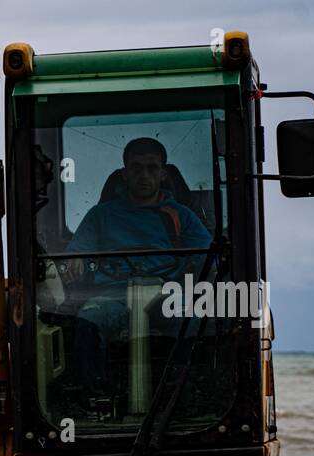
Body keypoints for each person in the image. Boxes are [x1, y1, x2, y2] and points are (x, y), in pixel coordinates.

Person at [63, 137, 211, 399]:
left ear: (163, 173)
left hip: (166, 293)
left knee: (194, 321)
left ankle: (182, 395)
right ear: (125, 173)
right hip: (113, 296)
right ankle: (95, 397)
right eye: (137, 167)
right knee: (88, 321)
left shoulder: (182, 216)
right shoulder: (100, 215)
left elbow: (207, 258)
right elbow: (77, 254)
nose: (144, 175)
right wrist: (76, 261)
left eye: (152, 168)